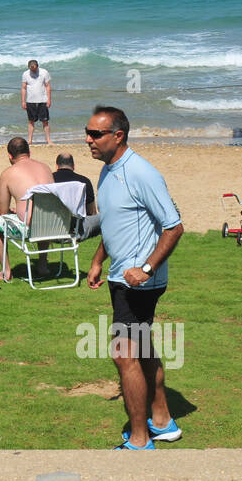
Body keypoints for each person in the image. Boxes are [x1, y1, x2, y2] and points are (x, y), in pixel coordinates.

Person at [84, 106, 184, 451]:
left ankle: (141, 440)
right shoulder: (107, 170)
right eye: (87, 133)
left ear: (118, 136)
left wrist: (147, 269)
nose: (88, 140)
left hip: (139, 282)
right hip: (119, 275)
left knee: (123, 354)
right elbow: (115, 222)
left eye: (96, 134)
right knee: (141, 350)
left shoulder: (141, 173)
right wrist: (98, 259)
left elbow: (174, 226)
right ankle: (162, 421)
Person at [0, 136, 57, 282]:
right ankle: (43, 266)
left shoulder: (8, 173)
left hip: (29, 228)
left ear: (10, 156)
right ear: (29, 152)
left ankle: (6, 272)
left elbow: (2, 212)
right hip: (53, 226)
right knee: (41, 215)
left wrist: (14, 211)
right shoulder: (45, 167)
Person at [21, 59, 52, 146]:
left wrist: (49, 99)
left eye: (34, 69)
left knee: (45, 121)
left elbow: (48, 86)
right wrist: (23, 101)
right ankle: (30, 140)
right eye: (31, 69)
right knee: (31, 121)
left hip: (43, 100)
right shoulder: (25, 74)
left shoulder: (44, 72)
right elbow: (23, 88)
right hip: (30, 101)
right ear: (29, 67)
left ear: (37, 66)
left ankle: (48, 140)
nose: (33, 70)